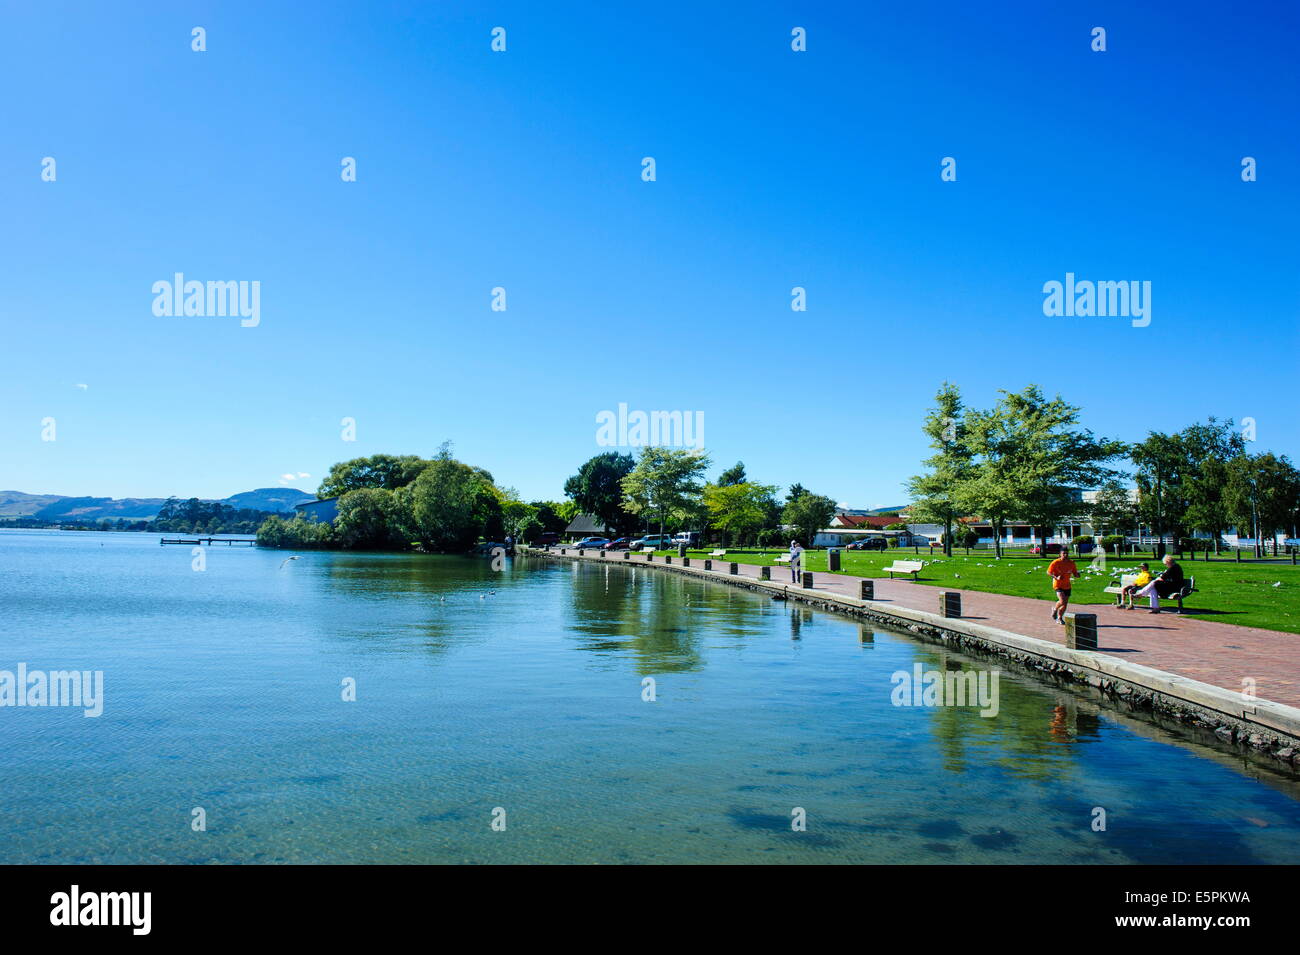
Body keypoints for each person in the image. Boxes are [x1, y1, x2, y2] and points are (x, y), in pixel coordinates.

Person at [1048, 547, 1080, 624]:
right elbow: (1048, 572)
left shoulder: (1071, 563)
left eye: (1067, 553)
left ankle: (1059, 618)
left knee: (1065, 603)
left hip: (1067, 585)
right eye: (1063, 553)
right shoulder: (1056, 562)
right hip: (1058, 584)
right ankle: (1055, 609)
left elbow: (1075, 573)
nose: (1065, 555)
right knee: (1062, 601)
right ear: (1060, 554)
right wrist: (1056, 577)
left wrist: (1077, 575)